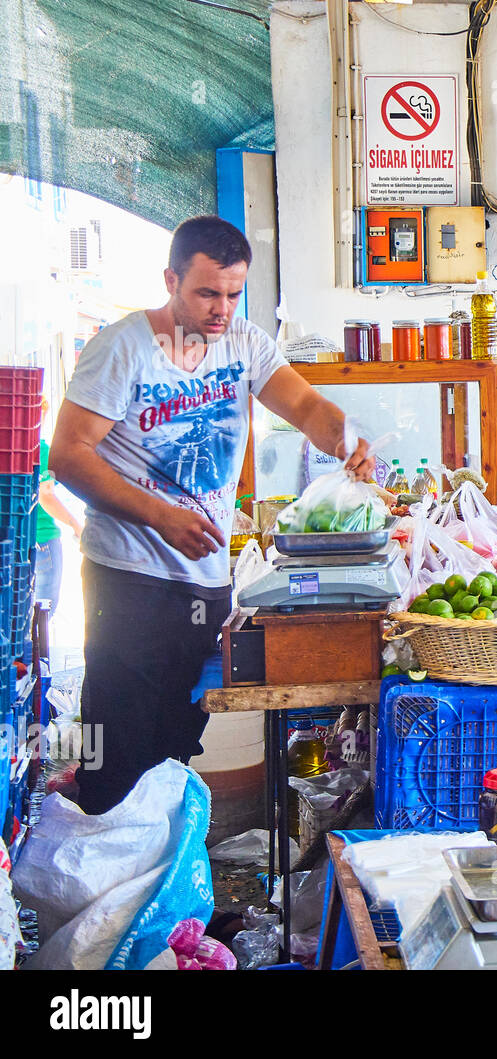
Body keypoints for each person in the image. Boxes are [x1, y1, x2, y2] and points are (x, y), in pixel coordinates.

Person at [50, 215, 375, 814]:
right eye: (206, 292)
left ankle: (169, 892)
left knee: (177, 742)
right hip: (129, 579)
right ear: (171, 279)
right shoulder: (123, 348)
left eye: (232, 293)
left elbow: (301, 402)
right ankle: (105, 886)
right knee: (116, 741)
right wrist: (159, 516)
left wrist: (346, 436)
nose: (221, 308)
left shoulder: (245, 341)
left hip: (205, 583)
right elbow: (68, 456)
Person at [34, 404, 85, 621]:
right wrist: (75, 524)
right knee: (44, 608)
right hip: (42, 539)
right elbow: (46, 496)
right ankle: (34, 652)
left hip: (10, 539)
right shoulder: (42, 451)